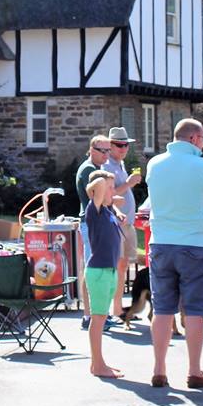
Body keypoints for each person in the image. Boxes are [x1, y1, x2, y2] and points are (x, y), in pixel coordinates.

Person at [146, 118, 203, 389]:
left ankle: (159, 369)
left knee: (162, 308)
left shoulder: (154, 164)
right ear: (193, 138)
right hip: (195, 242)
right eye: (202, 140)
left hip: (161, 242)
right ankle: (194, 370)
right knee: (194, 311)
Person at [84, 171, 124, 378]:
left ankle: (98, 363)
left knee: (101, 316)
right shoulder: (94, 209)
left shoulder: (107, 210)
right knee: (98, 318)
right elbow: (97, 184)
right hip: (99, 271)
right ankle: (98, 365)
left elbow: (112, 196)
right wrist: (100, 183)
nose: (112, 190)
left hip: (109, 271)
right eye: (109, 187)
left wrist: (114, 201)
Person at [103, 126, 143, 322]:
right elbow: (109, 195)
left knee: (124, 265)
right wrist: (129, 183)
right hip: (116, 223)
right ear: (110, 146)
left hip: (127, 221)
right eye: (119, 145)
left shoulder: (120, 163)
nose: (124, 148)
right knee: (117, 266)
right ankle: (114, 309)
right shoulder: (107, 166)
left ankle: (118, 308)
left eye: (126, 145)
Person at [76, 135, 114, 331]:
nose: (107, 154)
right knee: (93, 270)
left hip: (93, 224)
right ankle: (92, 315)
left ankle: (93, 314)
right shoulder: (89, 170)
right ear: (92, 149)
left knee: (92, 268)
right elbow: (97, 199)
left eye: (109, 150)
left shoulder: (97, 168)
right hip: (91, 225)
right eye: (103, 151)